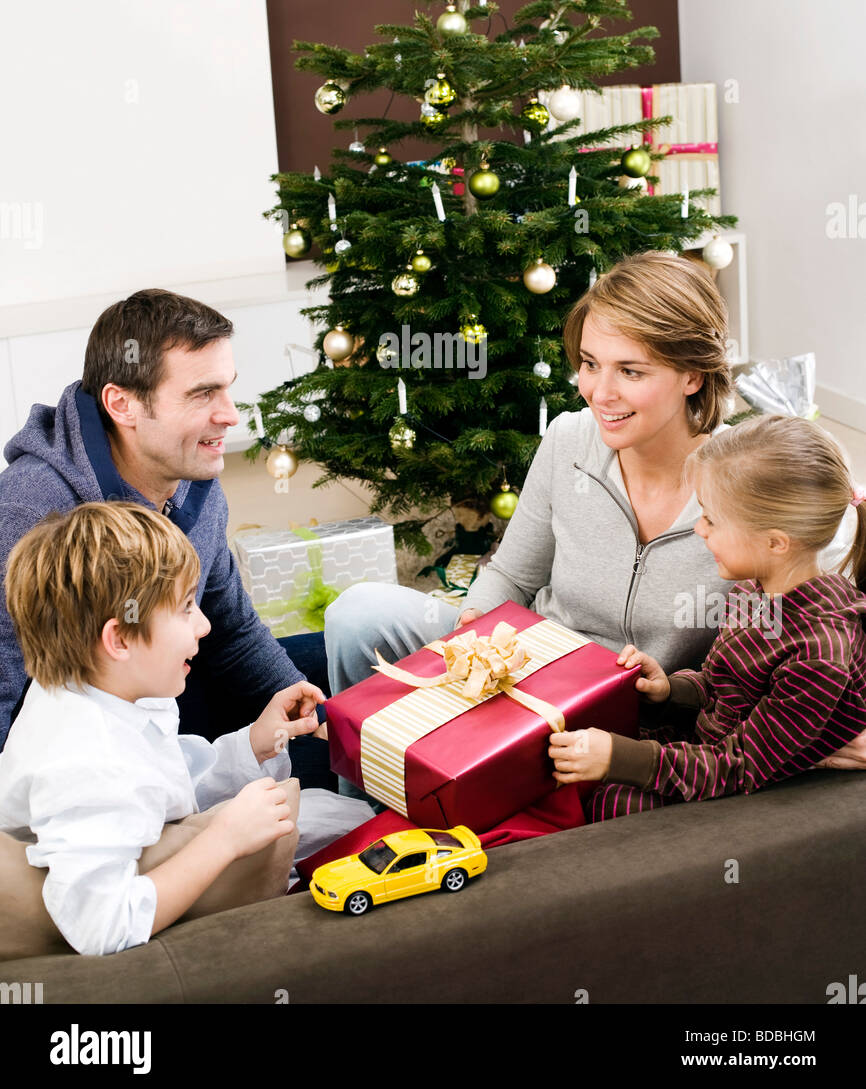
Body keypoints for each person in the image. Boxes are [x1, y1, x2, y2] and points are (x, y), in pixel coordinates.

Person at [325, 251, 864, 783]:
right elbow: (514, 574)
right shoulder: (569, 437)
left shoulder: (751, 485)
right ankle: (367, 804)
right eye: (588, 364)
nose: (598, 393)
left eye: (630, 370)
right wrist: (475, 635)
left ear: (692, 376)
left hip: (632, 718)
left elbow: (828, 631)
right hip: (527, 665)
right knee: (358, 613)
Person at [0, 288, 325, 752]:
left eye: (227, 386)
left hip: (174, 698)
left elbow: (229, 629)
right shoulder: (26, 511)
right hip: (89, 762)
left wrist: (309, 717)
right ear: (122, 405)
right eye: (203, 394)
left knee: (337, 674)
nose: (230, 415)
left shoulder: (191, 478)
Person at [0, 502, 325, 956]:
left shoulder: (109, 688)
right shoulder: (83, 763)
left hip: (167, 834)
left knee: (333, 815)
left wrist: (255, 744)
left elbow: (164, 788)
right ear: (119, 639)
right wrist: (223, 840)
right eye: (186, 608)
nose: (205, 623)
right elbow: (101, 926)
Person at [547, 415, 866, 815]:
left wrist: (620, 759)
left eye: (712, 519)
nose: (699, 529)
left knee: (613, 800)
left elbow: (741, 766)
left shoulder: (817, 656)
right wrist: (670, 690)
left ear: (776, 543)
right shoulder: (755, 590)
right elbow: (724, 687)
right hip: (710, 746)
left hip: (744, 782)